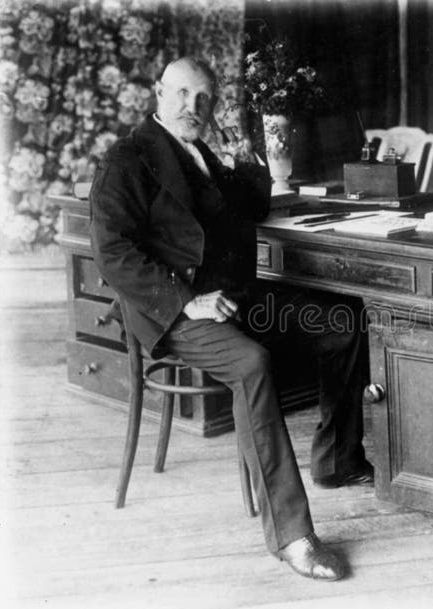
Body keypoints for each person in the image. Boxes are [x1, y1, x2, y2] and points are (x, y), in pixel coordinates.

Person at [89, 56, 373, 582]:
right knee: (251, 364)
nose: (191, 107)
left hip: (235, 300)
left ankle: (337, 459)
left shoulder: (202, 154)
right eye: (180, 94)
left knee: (342, 319)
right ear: (158, 93)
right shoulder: (128, 159)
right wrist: (184, 301)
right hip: (173, 313)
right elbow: (111, 250)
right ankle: (292, 536)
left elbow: (255, 203)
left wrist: (243, 160)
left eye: (202, 99)